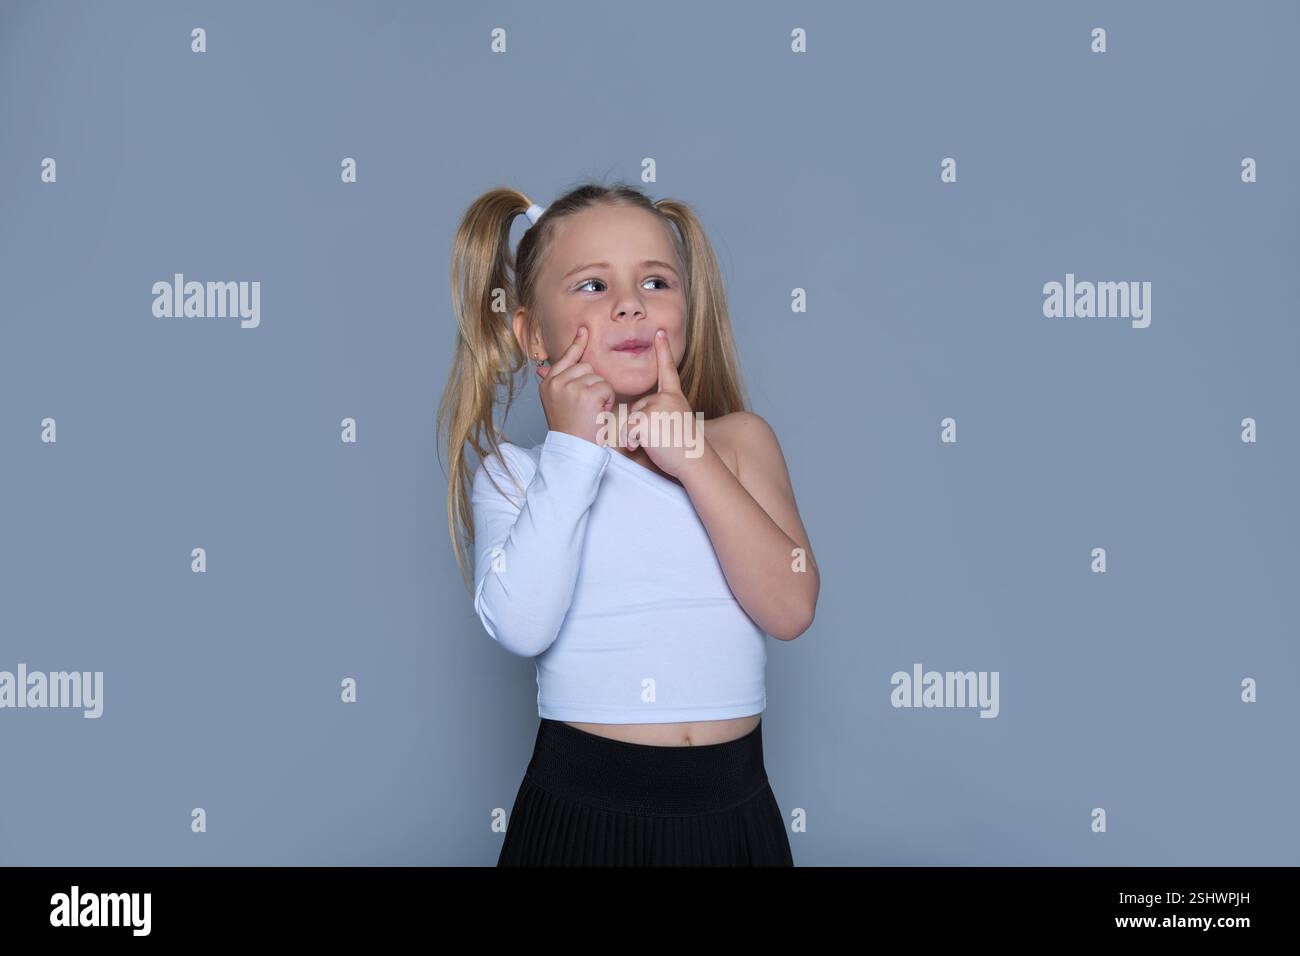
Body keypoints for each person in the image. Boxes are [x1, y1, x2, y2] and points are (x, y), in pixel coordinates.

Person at [437, 182, 820, 865]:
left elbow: (790, 606)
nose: (629, 304)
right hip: (583, 814)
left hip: (734, 812)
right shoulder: (515, 473)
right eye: (591, 285)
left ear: (687, 309)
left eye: (655, 280)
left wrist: (694, 458)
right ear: (530, 333)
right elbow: (522, 624)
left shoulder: (738, 442)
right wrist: (576, 451)